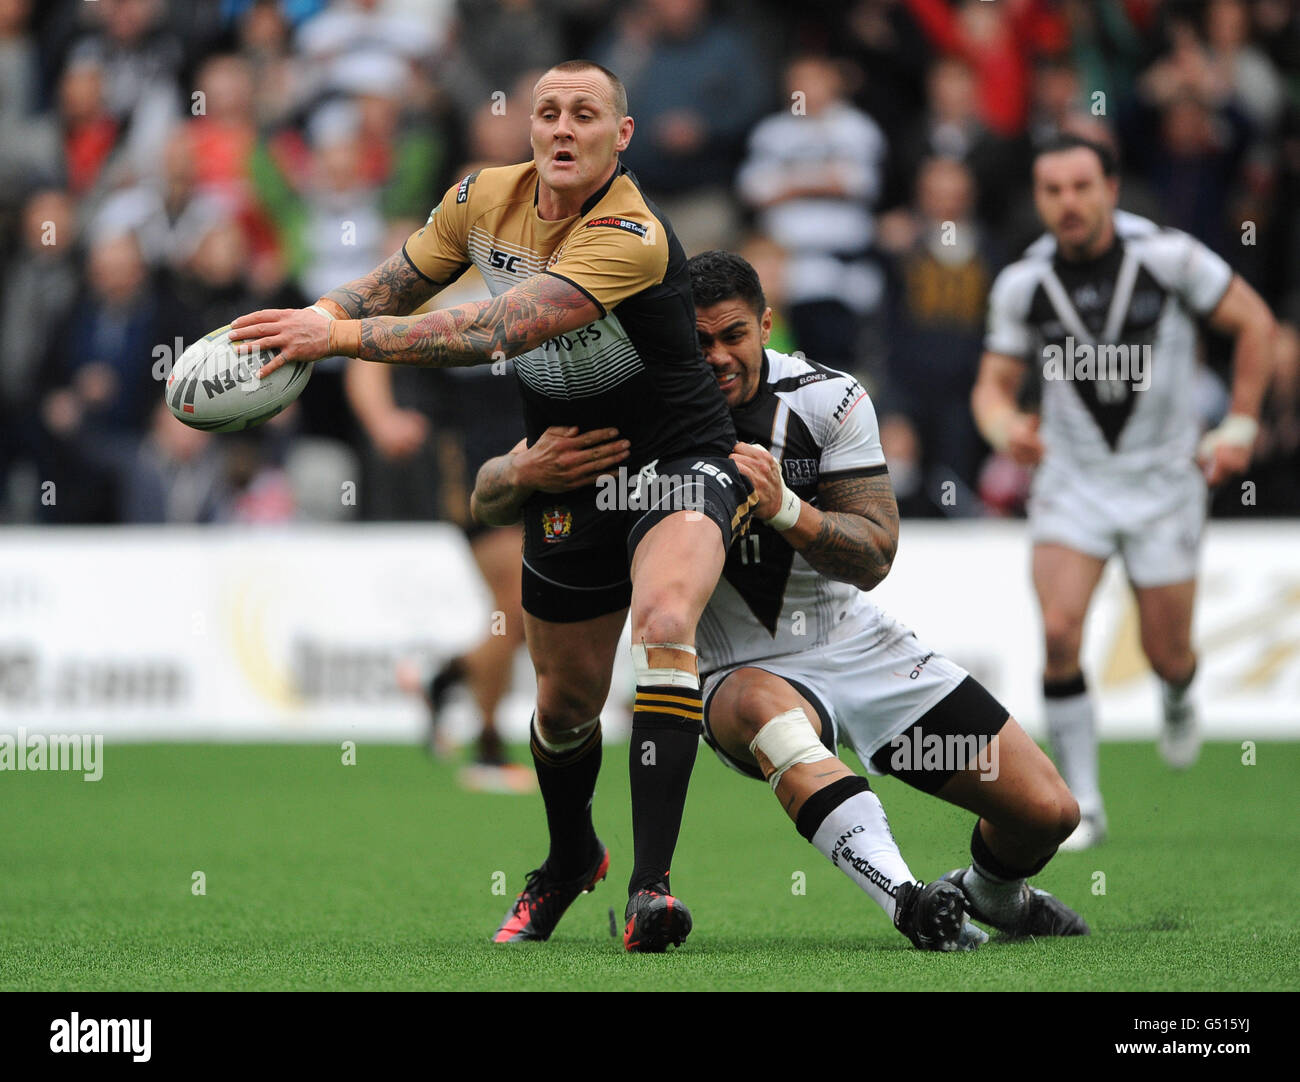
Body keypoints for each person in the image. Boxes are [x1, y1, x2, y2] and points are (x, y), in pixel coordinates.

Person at [228, 60, 756, 952]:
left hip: (677, 456)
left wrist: (341, 339)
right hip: (564, 472)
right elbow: (398, 282)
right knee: (561, 708)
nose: (561, 128)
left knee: (664, 619)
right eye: (546, 111)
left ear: (620, 137)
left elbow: (495, 328)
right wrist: (313, 316)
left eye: (584, 115)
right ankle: (568, 858)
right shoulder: (482, 198)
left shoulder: (630, 230)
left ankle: (650, 888)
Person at [472, 251, 1090, 944]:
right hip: (735, 672)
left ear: (767, 325)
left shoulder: (829, 399)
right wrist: (520, 468)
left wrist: (788, 508)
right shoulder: (633, 406)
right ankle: (909, 902)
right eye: (696, 341)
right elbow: (486, 498)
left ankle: (992, 896)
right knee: (773, 716)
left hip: (856, 646)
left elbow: (876, 555)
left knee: (1047, 812)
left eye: (732, 335)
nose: (716, 357)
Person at [971, 134, 1275, 849]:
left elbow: (1255, 323)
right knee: (1057, 633)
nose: (1068, 203)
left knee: (1169, 655)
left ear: (1110, 188)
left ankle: (1177, 696)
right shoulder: (1023, 282)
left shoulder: (1169, 257)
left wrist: (1239, 422)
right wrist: (1003, 426)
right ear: (1038, 199)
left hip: (1165, 484)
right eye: (1052, 190)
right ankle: (1083, 802)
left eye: (1081, 186)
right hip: (1072, 486)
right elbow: (993, 386)